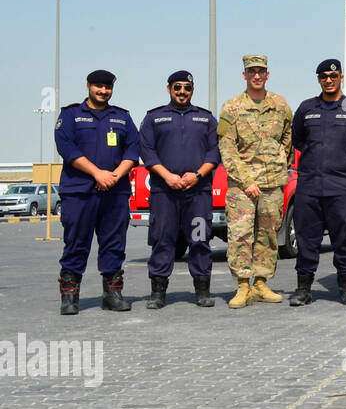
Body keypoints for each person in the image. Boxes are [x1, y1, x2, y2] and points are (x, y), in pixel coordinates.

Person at [54, 70, 139, 314]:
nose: (103, 91)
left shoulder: (122, 117)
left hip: (115, 192)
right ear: (88, 86)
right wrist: (97, 174)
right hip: (79, 192)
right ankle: (70, 297)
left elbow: (133, 149)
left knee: (114, 243)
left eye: (107, 87)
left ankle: (112, 294)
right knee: (76, 243)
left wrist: (115, 175)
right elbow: (66, 148)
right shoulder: (71, 115)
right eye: (98, 86)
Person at [289, 59, 346, 307]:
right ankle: (303, 290)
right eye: (323, 76)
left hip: (343, 187)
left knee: (343, 241)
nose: (328, 80)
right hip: (310, 187)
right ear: (318, 79)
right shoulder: (306, 108)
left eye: (333, 76)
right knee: (307, 240)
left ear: (341, 78)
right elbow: (298, 140)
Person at [138, 70, 220, 308]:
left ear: (192, 90)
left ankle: (202, 291)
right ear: (169, 89)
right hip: (165, 193)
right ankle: (158, 293)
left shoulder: (206, 119)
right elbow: (147, 151)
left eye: (187, 88)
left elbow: (214, 152)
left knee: (199, 239)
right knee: (163, 240)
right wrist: (168, 177)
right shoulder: (154, 118)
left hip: (198, 193)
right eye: (178, 87)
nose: (182, 92)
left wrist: (197, 175)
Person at [218, 54, 294, 309]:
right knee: (240, 236)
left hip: (272, 184)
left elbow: (287, 140)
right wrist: (247, 179)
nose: (257, 76)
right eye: (252, 72)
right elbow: (227, 149)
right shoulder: (232, 108)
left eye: (261, 71)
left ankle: (260, 284)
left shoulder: (280, 105)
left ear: (267, 74)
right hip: (242, 186)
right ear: (245, 75)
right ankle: (242, 286)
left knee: (268, 234)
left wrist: (277, 165)